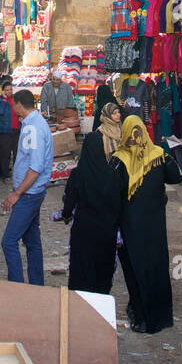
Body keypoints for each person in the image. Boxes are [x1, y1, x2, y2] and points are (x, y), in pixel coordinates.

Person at [114, 116, 182, 334]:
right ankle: (159, 317)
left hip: (130, 226)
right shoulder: (158, 155)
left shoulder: (119, 160)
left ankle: (141, 317)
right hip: (154, 225)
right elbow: (176, 178)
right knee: (156, 268)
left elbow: (113, 193)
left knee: (135, 271)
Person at [62, 102, 126, 294]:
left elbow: (69, 200)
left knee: (83, 266)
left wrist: (66, 215)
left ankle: (81, 302)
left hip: (84, 228)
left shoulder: (78, 174)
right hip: (106, 228)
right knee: (103, 268)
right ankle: (101, 301)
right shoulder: (113, 175)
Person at [1, 88, 54, 285]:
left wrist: (17, 193)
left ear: (20, 106)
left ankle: (18, 286)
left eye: (15, 106)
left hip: (29, 194)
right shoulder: (34, 123)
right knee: (32, 242)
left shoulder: (33, 127)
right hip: (33, 192)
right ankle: (36, 285)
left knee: (8, 242)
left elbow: (35, 166)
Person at [0, 78, 20, 184]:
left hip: (16, 129)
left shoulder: (15, 99)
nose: (9, 92)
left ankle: (17, 173)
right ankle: (5, 175)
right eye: (7, 90)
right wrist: (4, 100)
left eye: (10, 89)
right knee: (5, 154)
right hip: (4, 131)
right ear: (3, 91)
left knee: (17, 153)